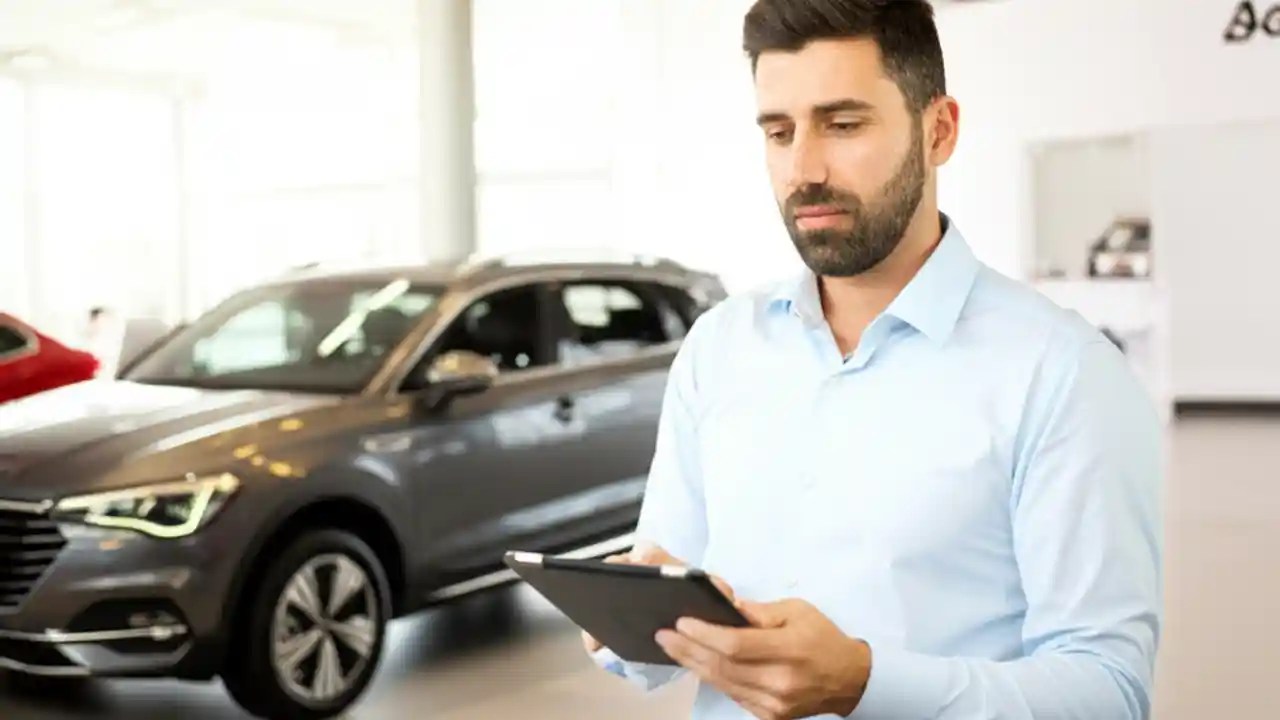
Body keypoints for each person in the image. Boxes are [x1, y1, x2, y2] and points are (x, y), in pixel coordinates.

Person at [584, 1, 1163, 719]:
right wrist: (626, 621)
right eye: (779, 132)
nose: (803, 170)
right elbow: (665, 595)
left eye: (843, 124)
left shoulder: (1062, 372)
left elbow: (1108, 693)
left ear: (938, 131)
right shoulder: (719, 348)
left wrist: (861, 682)